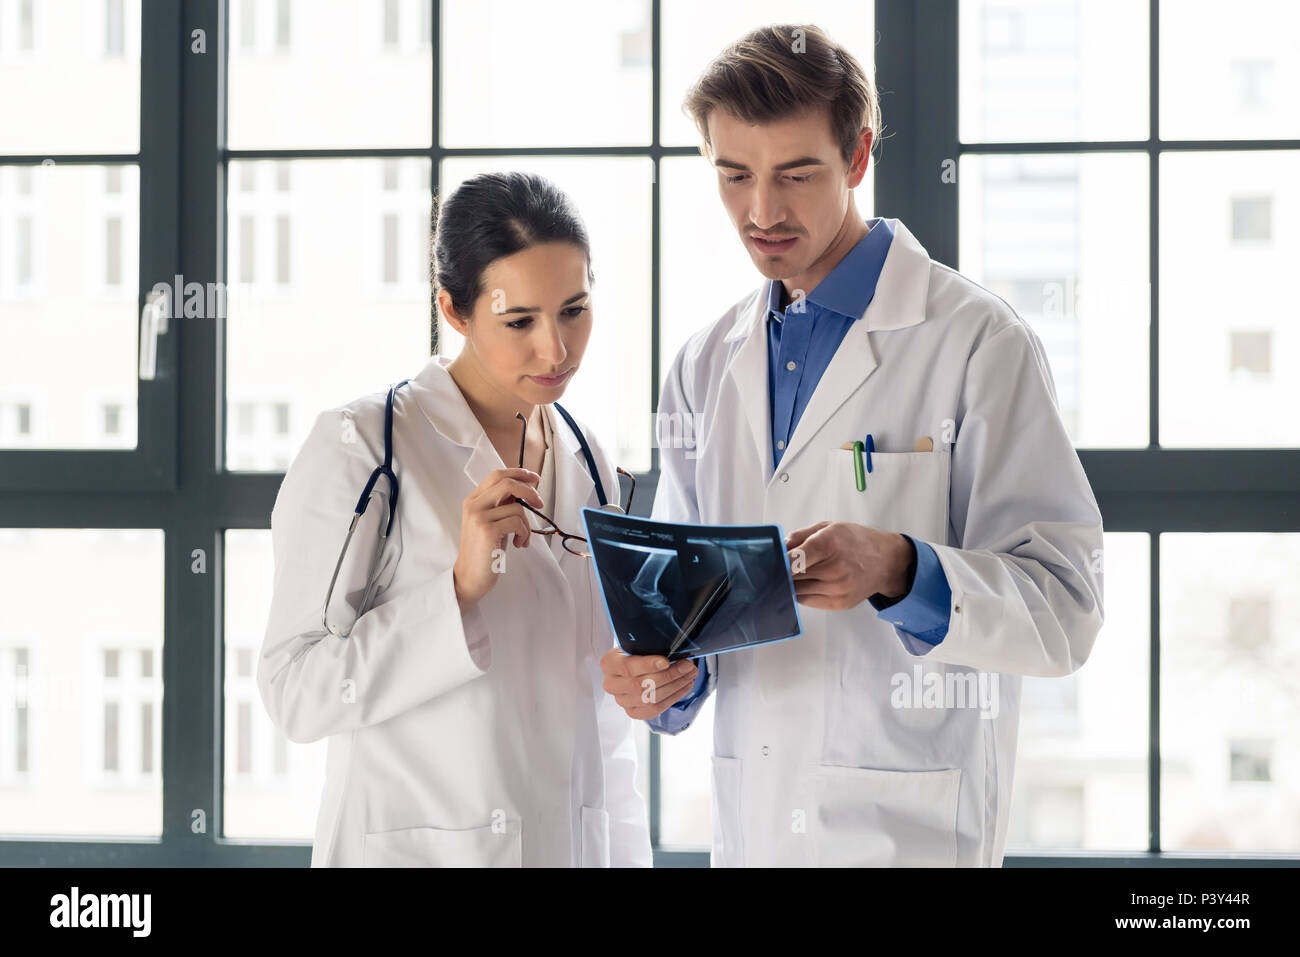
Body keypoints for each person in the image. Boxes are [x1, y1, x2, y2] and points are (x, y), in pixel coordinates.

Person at [600, 24, 1104, 867]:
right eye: (734, 175)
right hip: (754, 827)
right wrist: (660, 684)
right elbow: (689, 617)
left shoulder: (977, 341)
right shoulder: (702, 366)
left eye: (796, 174)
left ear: (859, 155)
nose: (761, 211)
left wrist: (901, 569)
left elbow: (1067, 609)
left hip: (906, 829)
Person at [258, 171, 652, 867]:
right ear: (455, 309)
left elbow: (599, 711)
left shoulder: (587, 454)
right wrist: (458, 592)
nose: (555, 349)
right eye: (520, 321)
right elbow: (295, 692)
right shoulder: (364, 446)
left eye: (574, 309)